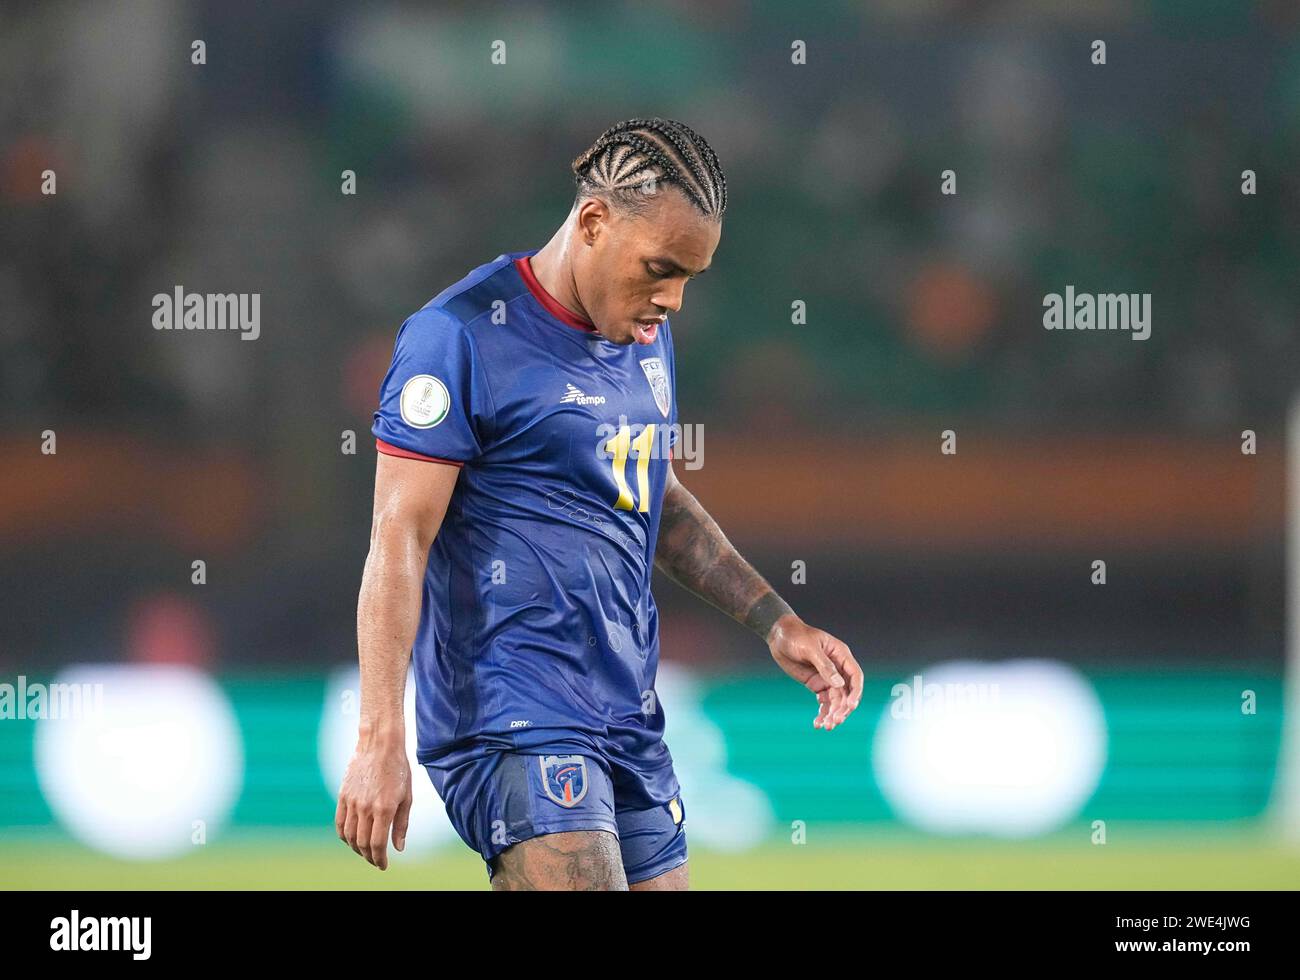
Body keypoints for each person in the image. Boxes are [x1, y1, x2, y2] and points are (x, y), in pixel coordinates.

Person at [337, 117, 863, 890]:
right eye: (659, 268)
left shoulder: (643, 338)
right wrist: (380, 733)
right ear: (593, 222)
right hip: (510, 709)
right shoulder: (459, 336)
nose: (674, 299)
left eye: (689, 276)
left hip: (625, 711)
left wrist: (774, 619)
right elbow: (399, 539)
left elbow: (658, 499)